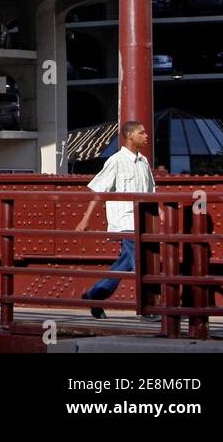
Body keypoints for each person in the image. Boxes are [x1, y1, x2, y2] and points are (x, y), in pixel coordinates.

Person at [76, 120, 157, 320]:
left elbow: (150, 191)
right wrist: (85, 219)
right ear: (130, 136)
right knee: (141, 263)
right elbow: (98, 190)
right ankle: (150, 307)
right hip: (125, 221)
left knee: (125, 263)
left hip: (141, 221)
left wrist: (158, 213)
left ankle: (95, 295)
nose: (146, 136)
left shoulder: (144, 162)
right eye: (142, 133)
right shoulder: (115, 161)